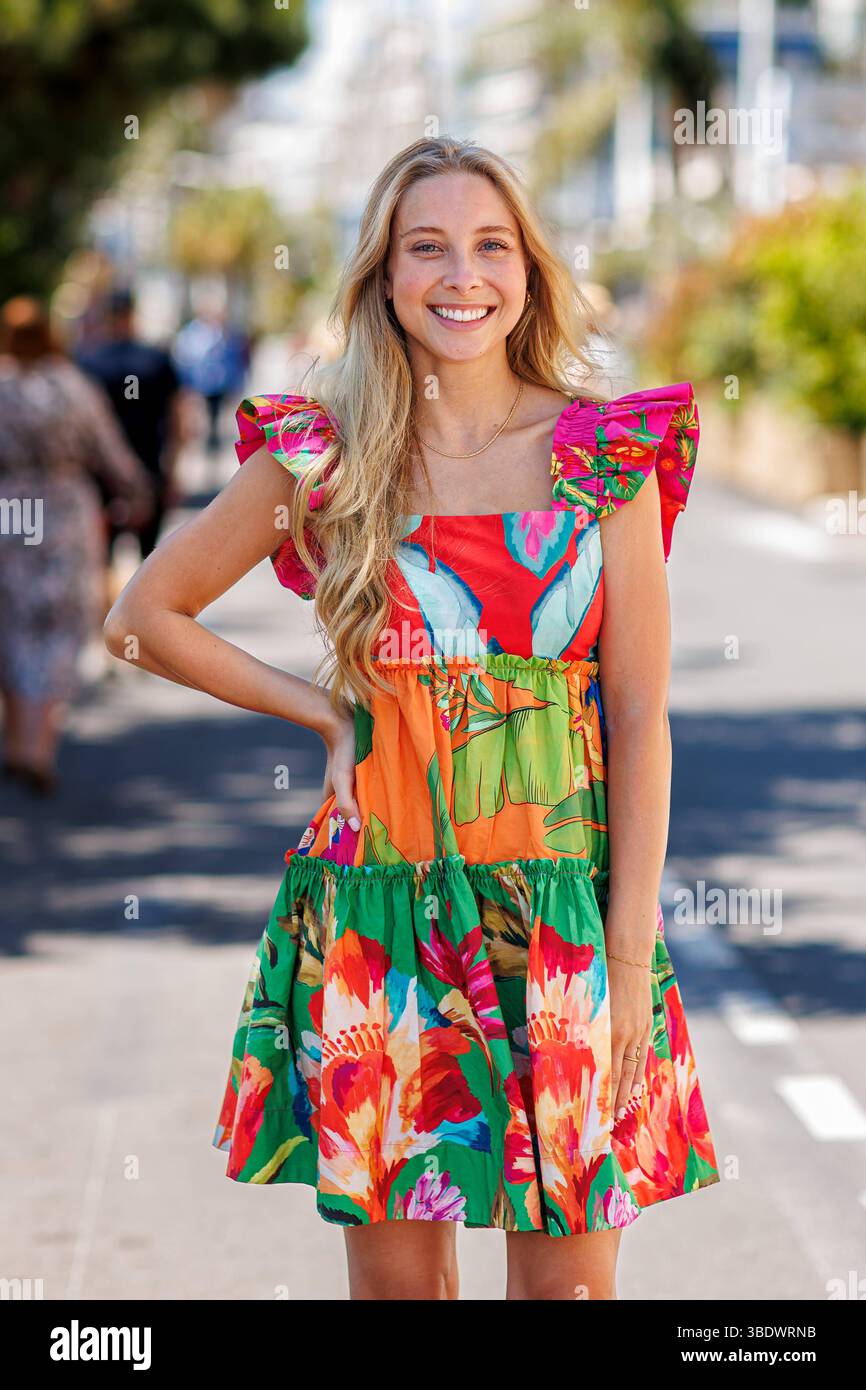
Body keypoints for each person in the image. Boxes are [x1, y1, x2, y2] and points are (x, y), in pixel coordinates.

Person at [103, 136, 721, 1299]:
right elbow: (142, 617)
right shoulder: (325, 452)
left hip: (561, 915)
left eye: (491, 246)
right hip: (376, 912)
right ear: (383, 275)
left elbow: (640, 716)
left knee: (566, 1294)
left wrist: (626, 958)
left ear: (529, 271)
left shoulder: (605, 454)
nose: (461, 275)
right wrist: (324, 716)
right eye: (424, 247)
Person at [0, 296, 153, 795]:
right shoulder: (71, 386)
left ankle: (17, 741)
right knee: (62, 628)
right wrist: (137, 489)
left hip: (9, 512)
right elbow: (108, 449)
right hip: (65, 513)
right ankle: (42, 745)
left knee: (13, 625)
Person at [76, 286, 187, 575]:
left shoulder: (87, 364)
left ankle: (103, 619)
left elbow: (80, 428)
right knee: (149, 566)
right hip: (150, 469)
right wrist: (173, 472)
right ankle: (138, 619)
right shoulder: (156, 360)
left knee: (100, 565)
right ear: (132, 314)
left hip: (101, 477)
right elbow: (179, 422)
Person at [172, 301, 250, 462]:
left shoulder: (222, 332)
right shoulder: (192, 333)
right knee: (198, 417)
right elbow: (185, 357)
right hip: (198, 383)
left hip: (217, 383)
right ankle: (202, 445)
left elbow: (231, 358)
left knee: (213, 416)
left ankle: (211, 445)